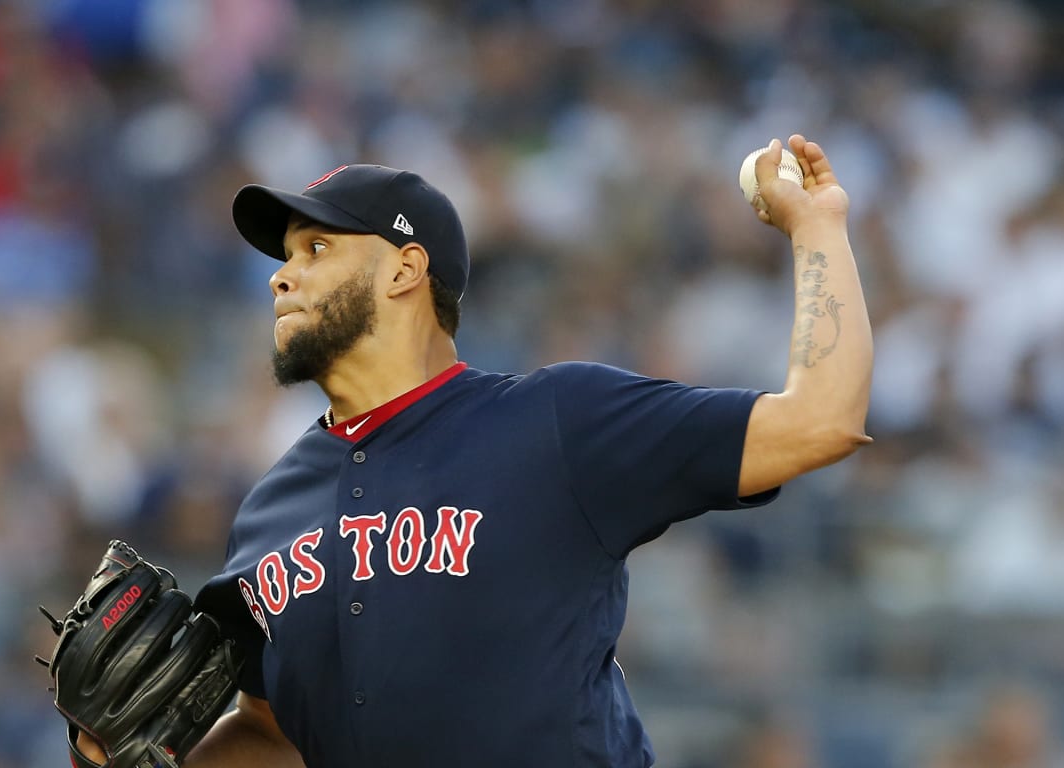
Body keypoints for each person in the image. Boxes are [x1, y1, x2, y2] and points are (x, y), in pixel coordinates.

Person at [77, 135, 872, 766]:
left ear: (405, 270)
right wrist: (113, 754)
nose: (284, 278)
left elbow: (820, 421)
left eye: (316, 249)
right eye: (285, 257)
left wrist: (817, 226)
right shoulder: (268, 510)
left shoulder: (556, 422)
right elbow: (277, 734)